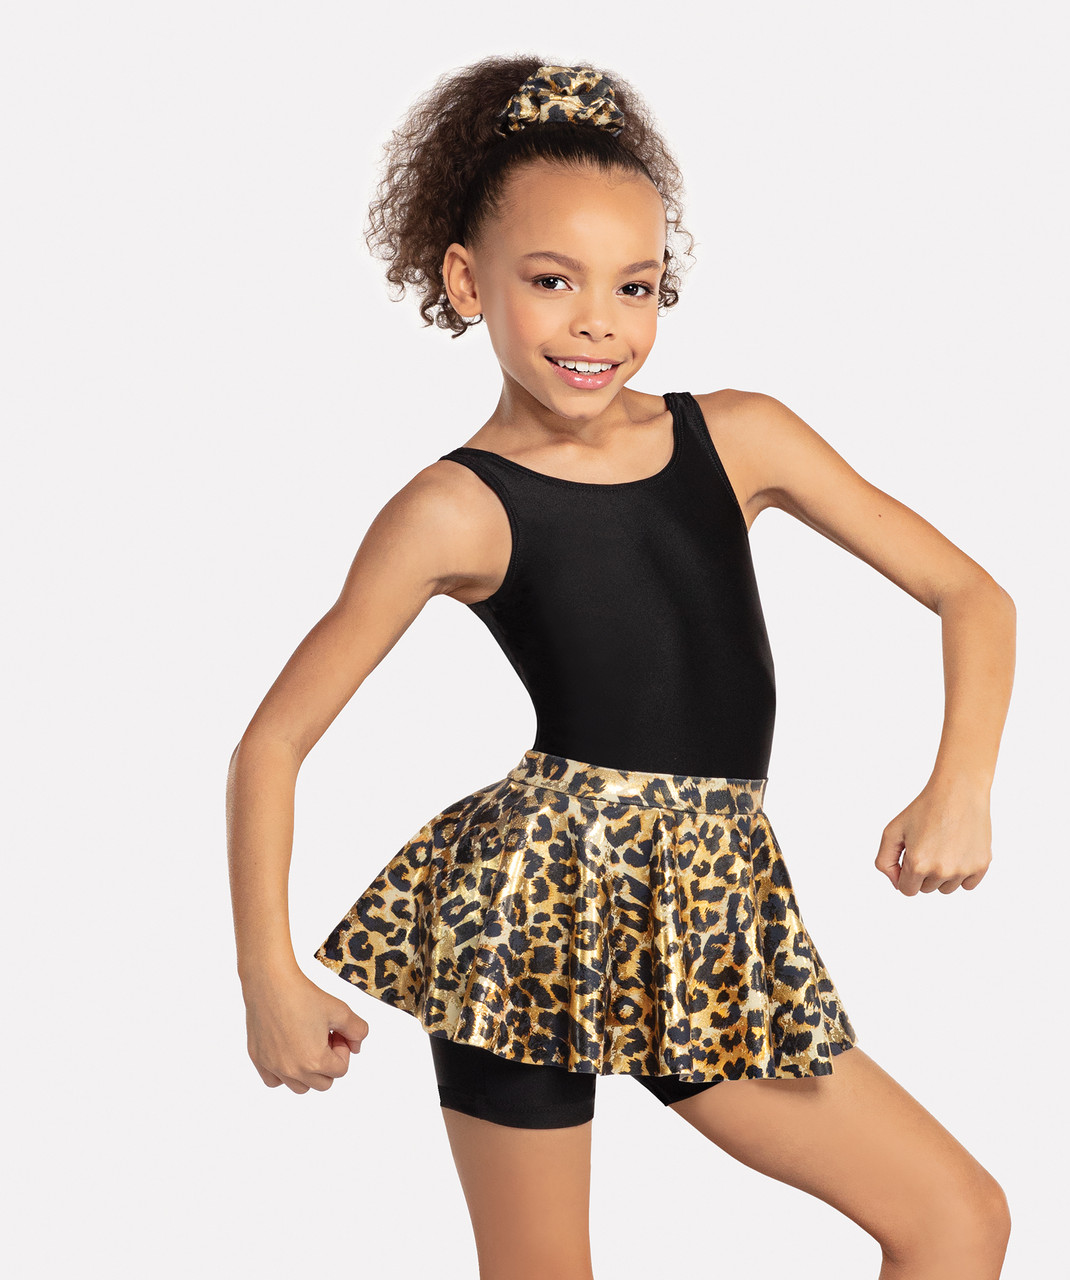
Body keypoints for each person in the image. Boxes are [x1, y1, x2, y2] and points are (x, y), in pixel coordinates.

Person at [227, 56, 1017, 1280]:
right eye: (552, 280)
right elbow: (271, 742)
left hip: (704, 910)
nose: (598, 320)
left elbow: (972, 594)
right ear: (466, 281)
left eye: (634, 285)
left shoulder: (739, 436)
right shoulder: (452, 508)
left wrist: (957, 780)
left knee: (955, 1219)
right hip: (522, 916)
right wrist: (266, 974)